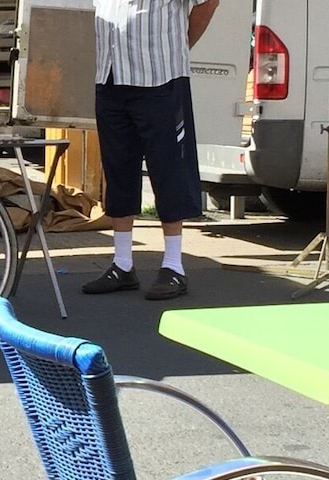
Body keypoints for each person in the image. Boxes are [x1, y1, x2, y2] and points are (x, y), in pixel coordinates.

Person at [82, 0, 219, 301]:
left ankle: (173, 266)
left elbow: (209, 2)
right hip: (111, 77)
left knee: (168, 169)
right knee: (118, 168)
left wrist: (181, 45)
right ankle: (122, 264)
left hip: (161, 77)